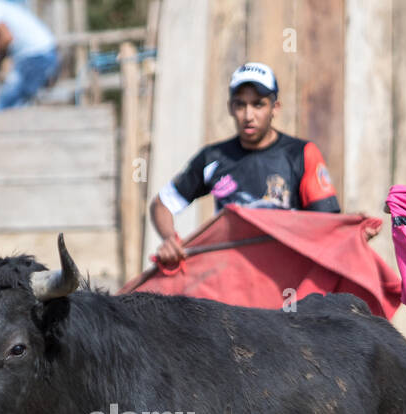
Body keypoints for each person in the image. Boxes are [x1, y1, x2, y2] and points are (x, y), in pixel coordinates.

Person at [149, 63, 352, 269]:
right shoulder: (212, 158)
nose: (248, 116)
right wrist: (169, 240)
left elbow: (328, 224)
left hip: (288, 279)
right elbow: (162, 204)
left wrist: (356, 234)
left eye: (258, 104)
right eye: (240, 105)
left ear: (275, 108)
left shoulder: (300, 154)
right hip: (230, 278)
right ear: (230, 107)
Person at [0, 0, 58, 111]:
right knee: (16, 106)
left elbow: (6, 37)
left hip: (35, 55)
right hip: (41, 53)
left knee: (3, 109)